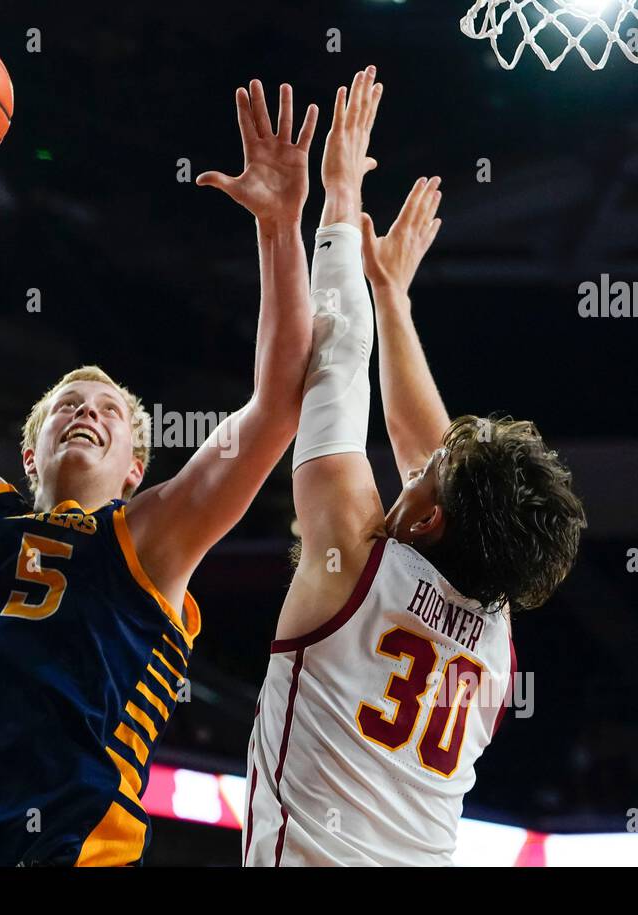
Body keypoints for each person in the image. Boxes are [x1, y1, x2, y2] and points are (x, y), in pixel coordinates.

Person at [0, 80, 318, 865]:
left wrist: (278, 225)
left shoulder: (150, 539)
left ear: (135, 468)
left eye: (110, 411)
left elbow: (276, 407)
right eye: (66, 405)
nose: (85, 412)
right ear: (30, 453)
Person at [243, 67, 586, 866]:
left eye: (433, 472)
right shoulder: (493, 633)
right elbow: (424, 449)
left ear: (428, 515)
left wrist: (335, 203)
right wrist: (391, 294)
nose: (420, 462)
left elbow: (336, 360)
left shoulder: (352, 560)